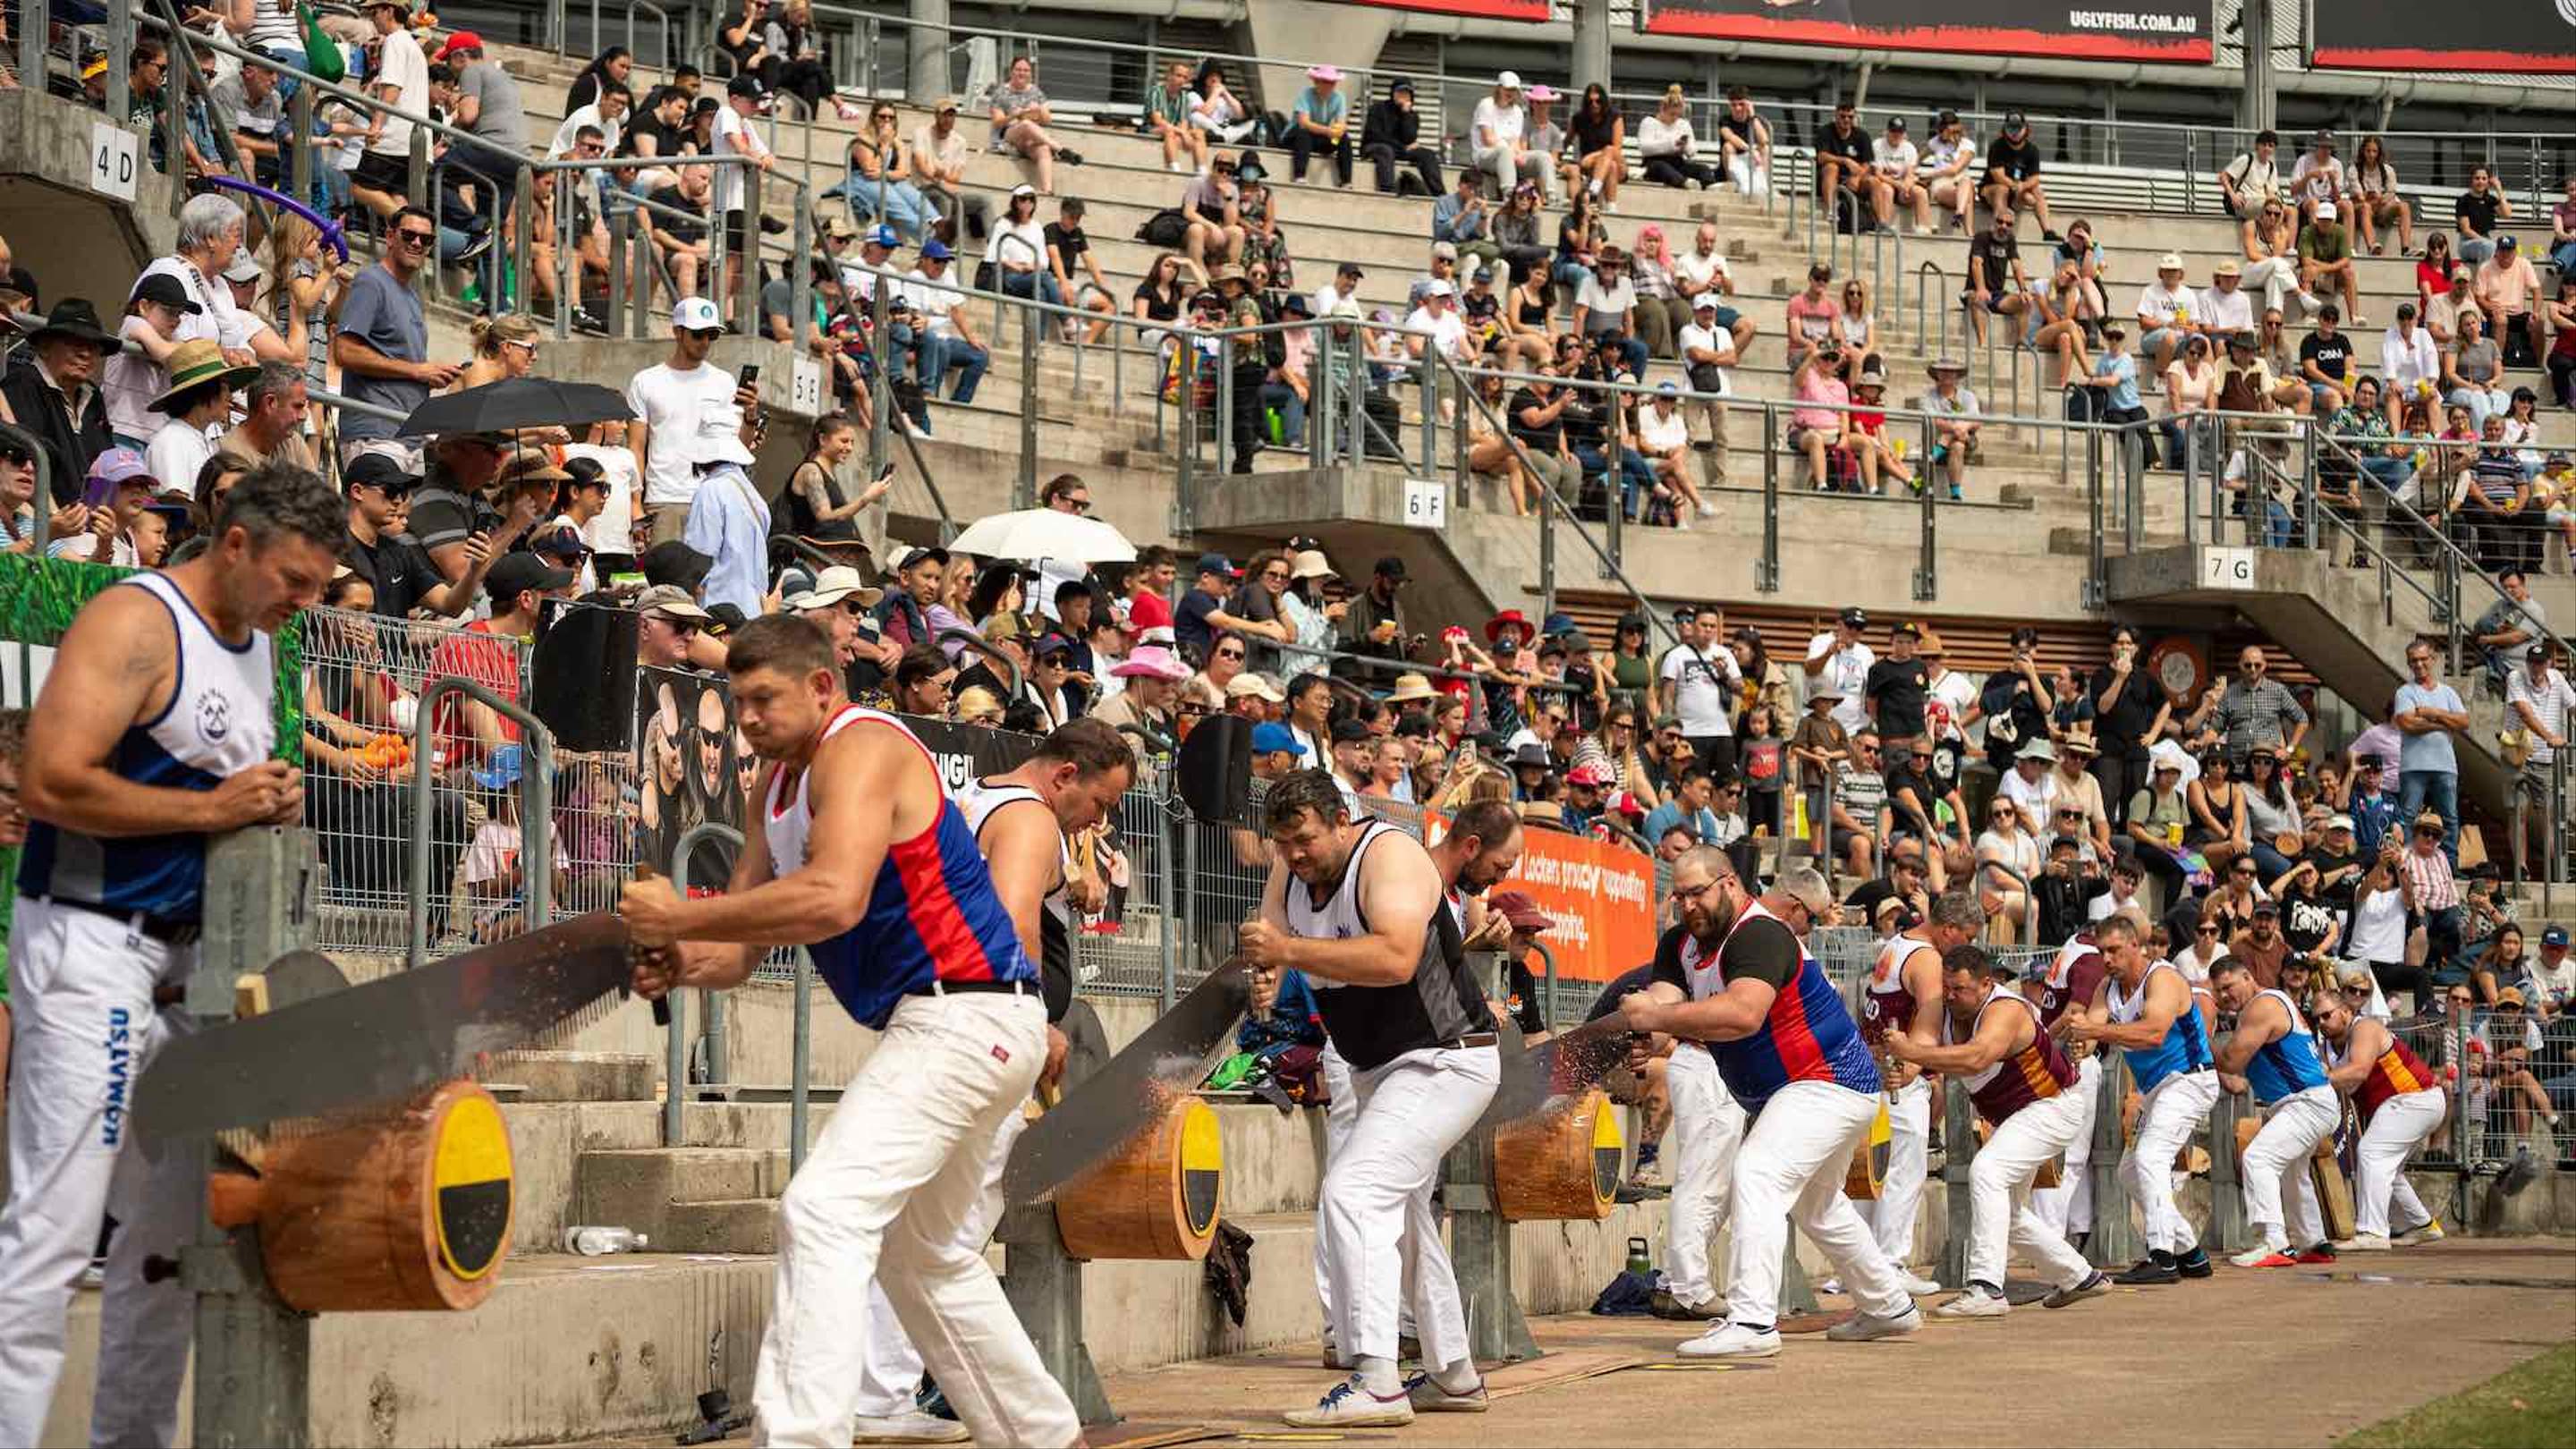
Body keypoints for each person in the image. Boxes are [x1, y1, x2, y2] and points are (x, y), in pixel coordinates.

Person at [621, 615, 1079, 1445]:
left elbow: (834, 898)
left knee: (825, 1210)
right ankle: (1044, 1438)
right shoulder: (772, 789)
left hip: (965, 1013)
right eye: (738, 700)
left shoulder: (863, 745)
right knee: (924, 1256)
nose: (748, 718)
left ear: (822, 686)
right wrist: (680, 959)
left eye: (765, 699)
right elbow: (738, 954)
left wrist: (682, 914)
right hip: (965, 1020)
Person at [0, 461, 338, 1449]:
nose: (303, 602)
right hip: (94, 943)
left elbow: (217, 799)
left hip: (189, 967)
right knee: (54, 1231)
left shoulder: (257, 642)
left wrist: (266, 803)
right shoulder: (134, 622)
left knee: (166, 1247)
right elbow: (50, 781)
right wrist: (215, 807)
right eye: (293, 580)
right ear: (235, 543)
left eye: (318, 587)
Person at [847, 718, 1127, 1440]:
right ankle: (889, 1393)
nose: (1097, 821)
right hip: (987, 1035)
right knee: (947, 1231)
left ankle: (885, 1389)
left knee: (921, 1225)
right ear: (1064, 775)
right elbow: (1009, 924)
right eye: (1099, 802)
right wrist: (1032, 1018)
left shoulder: (972, 798)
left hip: (943, 1022)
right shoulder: (1031, 818)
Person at [1239, 770, 1504, 1426]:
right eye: (1282, 843)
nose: (1294, 854)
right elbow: (1273, 932)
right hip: (1377, 1066)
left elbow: (1395, 958)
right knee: (1403, 1217)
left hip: (1445, 1058)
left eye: (1304, 839)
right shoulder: (1292, 866)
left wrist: (1287, 950)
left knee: (1355, 1193)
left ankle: (1377, 1381)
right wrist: (1268, 971)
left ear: (1340, 820)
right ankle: (1453, 1374)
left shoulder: (1389, 856)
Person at [1619, 858, 1920, 1359]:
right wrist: (1646, 1033)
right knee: (1818, 1207)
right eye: (1680, 896)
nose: (1689, 905)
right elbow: (1663, 1005)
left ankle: (1753, 1321)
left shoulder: (1759, 935)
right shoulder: (1679, 943)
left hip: (1828, 1081)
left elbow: (1743, 1014)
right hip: (1797, 1091)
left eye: (1698, 893)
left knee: (1757, 1173)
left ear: (1729, 883)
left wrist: (1657, 1018)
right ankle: (1889, 1305)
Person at [1893, 945, 2109, 1318]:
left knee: (1987, 1172)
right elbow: (1920, 1050)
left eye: (1960, 989)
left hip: (2052, 1105)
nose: (1950, 996)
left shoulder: (2006, 1010)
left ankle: (1987, 1289)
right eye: (1946, 987)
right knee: (2008, 1215)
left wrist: (1911, 1053)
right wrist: (1899, 1069)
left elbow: (1976, 1057)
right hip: (2016, 1116)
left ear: (1986, 984)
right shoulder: (1940, 1007)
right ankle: (2080, 1277)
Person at [2055, 913, 2216, 1284]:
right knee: (2129, 1173)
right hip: (2155, 1088)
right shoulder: (2107, 988)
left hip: (2190, 1080)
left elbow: (2153, 1033)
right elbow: (2092, 1035)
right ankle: (2190, 1254)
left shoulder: (2162, 978)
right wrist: (2078, 1041)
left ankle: (2161, 1257)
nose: (2106, 959)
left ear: (2135, 946)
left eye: (2114, 950)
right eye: (2102, 952)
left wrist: (2093, 1030)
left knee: (2151, 1157)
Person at [1860, 891, 1987, 1291]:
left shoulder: (1895, 945)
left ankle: (1866, 1265)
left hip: (1875, 1069)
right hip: (1899, 1079)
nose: (1969, 946)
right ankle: (1889, 1263)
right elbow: (1928, 1026)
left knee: (1875, 1174)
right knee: (1903, 1171)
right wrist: (1913, 1069)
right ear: (1948, 929)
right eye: (1967, 936)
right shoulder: (1928, 960)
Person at [2207, 957, 2339, 1267]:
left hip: (2305, 1102)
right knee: (2293, 1172)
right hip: (2307, 1101)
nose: (2225, 995)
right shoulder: (2269, 1002)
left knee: (2258, 1159)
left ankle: (2275, 1243)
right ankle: (2314, 1243)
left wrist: (2199, 1036)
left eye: (2229, 986)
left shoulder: (2262, 1005)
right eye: (2218, 991)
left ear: (2247, 976)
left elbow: (2231, 1063)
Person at [2312, 989, 2446, 1250]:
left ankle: (2373, 1232)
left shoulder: (2365, 1027)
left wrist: (2314, 1082)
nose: (2321, 1022)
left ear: (2346, 1012)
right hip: (2400, 1105)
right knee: (2387, 1169)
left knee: (2371, 1154)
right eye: (2316, 1018)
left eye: (2327, 1015)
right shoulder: (2325, 1048)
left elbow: (2359, 1070)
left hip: (2415, 1098)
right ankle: (2423, 1224)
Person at [2393, 639, 2468, 863]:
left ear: (2433, 659)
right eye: (2413, 660)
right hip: (2413, 766)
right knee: (2408, 816)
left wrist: (2433, 713)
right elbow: (2407, 724)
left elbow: (2464, 722)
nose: (2419, 664)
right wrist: (2443, 724)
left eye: (2423, 659)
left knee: (2449, 818)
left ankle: (2450, 864)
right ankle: (2407, 863)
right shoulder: (2405, 692)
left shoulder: (2448, 692)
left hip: (2445, 766)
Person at [987, 56, 1074, 197]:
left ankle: (1047, 191)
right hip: (1008, 137)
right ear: (1011, 72)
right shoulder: (1000, 92)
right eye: (1018, 70)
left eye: (1026, 70)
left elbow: (1047, 120)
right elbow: (997, 122)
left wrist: (1039, 110)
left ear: (1030, 73)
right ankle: (1060, 149)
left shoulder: (1036, 92)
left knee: (1043, 149)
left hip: (1028, 142)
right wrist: (1013, 116)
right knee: (1026, 124)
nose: (1022, 73)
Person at [1980, 111, 2057, 240]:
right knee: (2002, 189)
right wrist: (2016, 187)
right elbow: (1998, 176)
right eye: (2011, 128)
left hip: (2017, 192)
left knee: (2037, 191)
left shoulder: (2032, 150)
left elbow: (2035, 178)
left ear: (2026, 128)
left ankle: (2048, 232)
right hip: (1992, 190)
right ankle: (1998, 232)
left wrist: (2023, 187)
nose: (2015, 132)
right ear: (2005, 128)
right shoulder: (1997, 146)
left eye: (2018, 128)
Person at [1360, 78, 1442, 197]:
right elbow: (1374, 135)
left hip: (1399, 150)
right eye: (1399, 92)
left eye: (1406, 93)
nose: (1403, 95)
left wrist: (1405, 115)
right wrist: (1402, 147)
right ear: (1393, 93)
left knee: (1428, 154)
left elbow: (1409, 139)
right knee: (1386, 150)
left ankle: (1439, 194)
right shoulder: (1378, 108)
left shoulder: (1412, 115)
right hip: (1373, 147)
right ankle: (1388, 191)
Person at [1962, 206, 2028, 348]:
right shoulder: (1982, 237)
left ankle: (2021, 344)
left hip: (1997, 294)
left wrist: (2023, 290)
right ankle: (1982, 344)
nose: (2003, 226)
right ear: (1994, 221)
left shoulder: (2010, 240)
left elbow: (2016, 265)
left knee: (2025, 302)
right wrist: (1981, 288)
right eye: (2000, 221)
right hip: (1975, 290)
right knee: (1978, 299)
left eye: (2008, 224)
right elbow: (1976, 263)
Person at [2218, 129, 2282, 220]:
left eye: (2270, 146)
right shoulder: (2247, 159)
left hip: (2262, 203)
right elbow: (2223, 176)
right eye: (2264, 145)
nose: (2267, 148)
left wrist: (2276, 203)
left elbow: (2271, 192)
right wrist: (2233, 196)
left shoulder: (2272, 168)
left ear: (2274, 149)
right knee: (2270, 208)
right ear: (2257, 146)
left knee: (2290, 211)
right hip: (2245, 202)